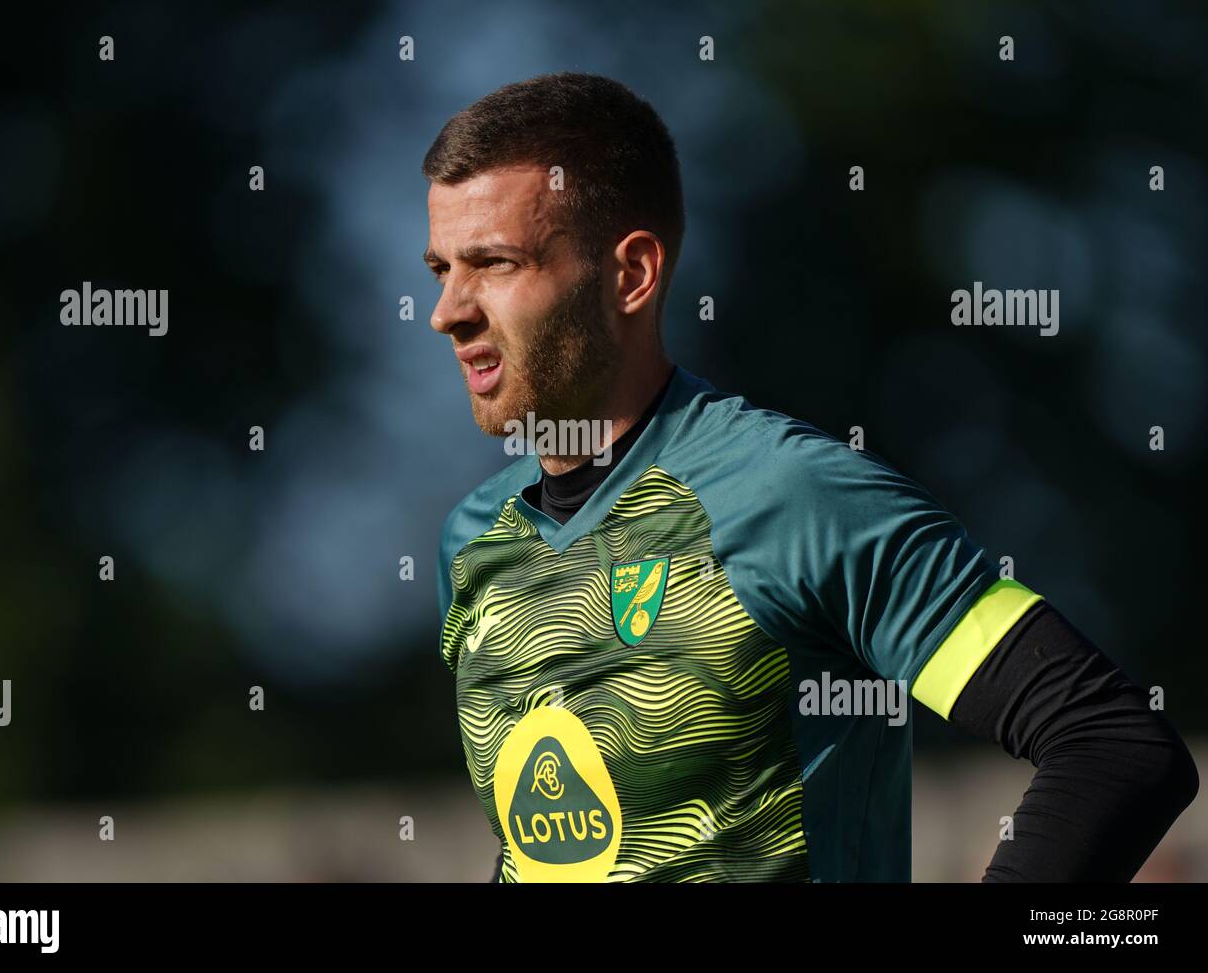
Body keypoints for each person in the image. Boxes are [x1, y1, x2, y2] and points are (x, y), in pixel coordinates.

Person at [422, 72, 1198, 882]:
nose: (447, 310)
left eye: (495, 264)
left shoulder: (796, 496)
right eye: (441, 268)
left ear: (632, 275)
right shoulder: (473, 541)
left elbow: (1111, 745)